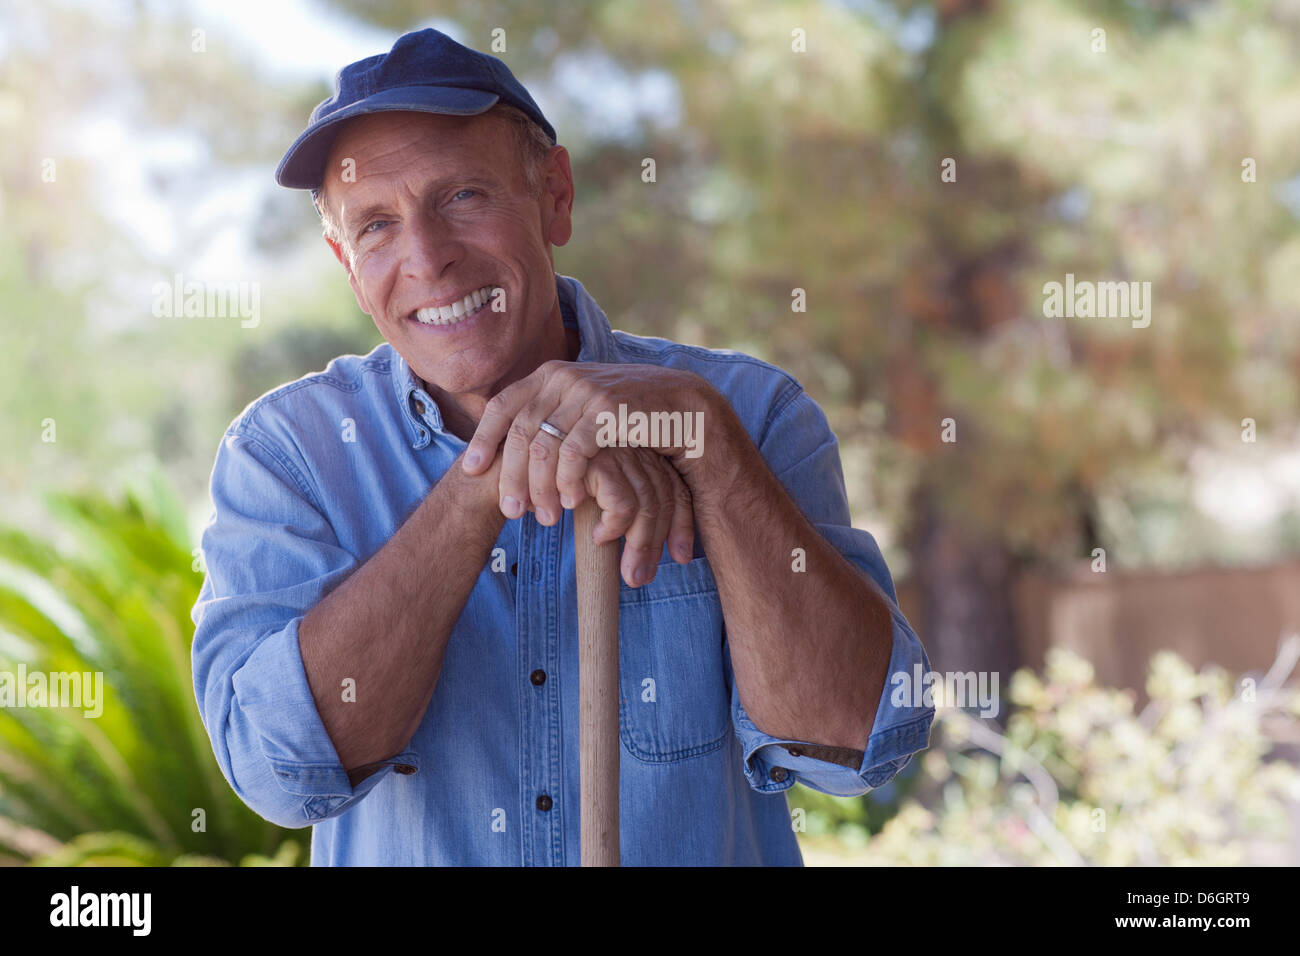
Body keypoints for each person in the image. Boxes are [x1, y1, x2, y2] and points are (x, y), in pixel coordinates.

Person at [190, 27, 935, 865]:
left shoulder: (749, 417)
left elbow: (857, 745)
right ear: (346, 264)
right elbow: (278, 773)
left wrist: (713, 458)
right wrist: (484, 482)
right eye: (375, 227)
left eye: (463, 196)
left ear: (555, 196)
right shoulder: (288, 455)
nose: (427, 258)